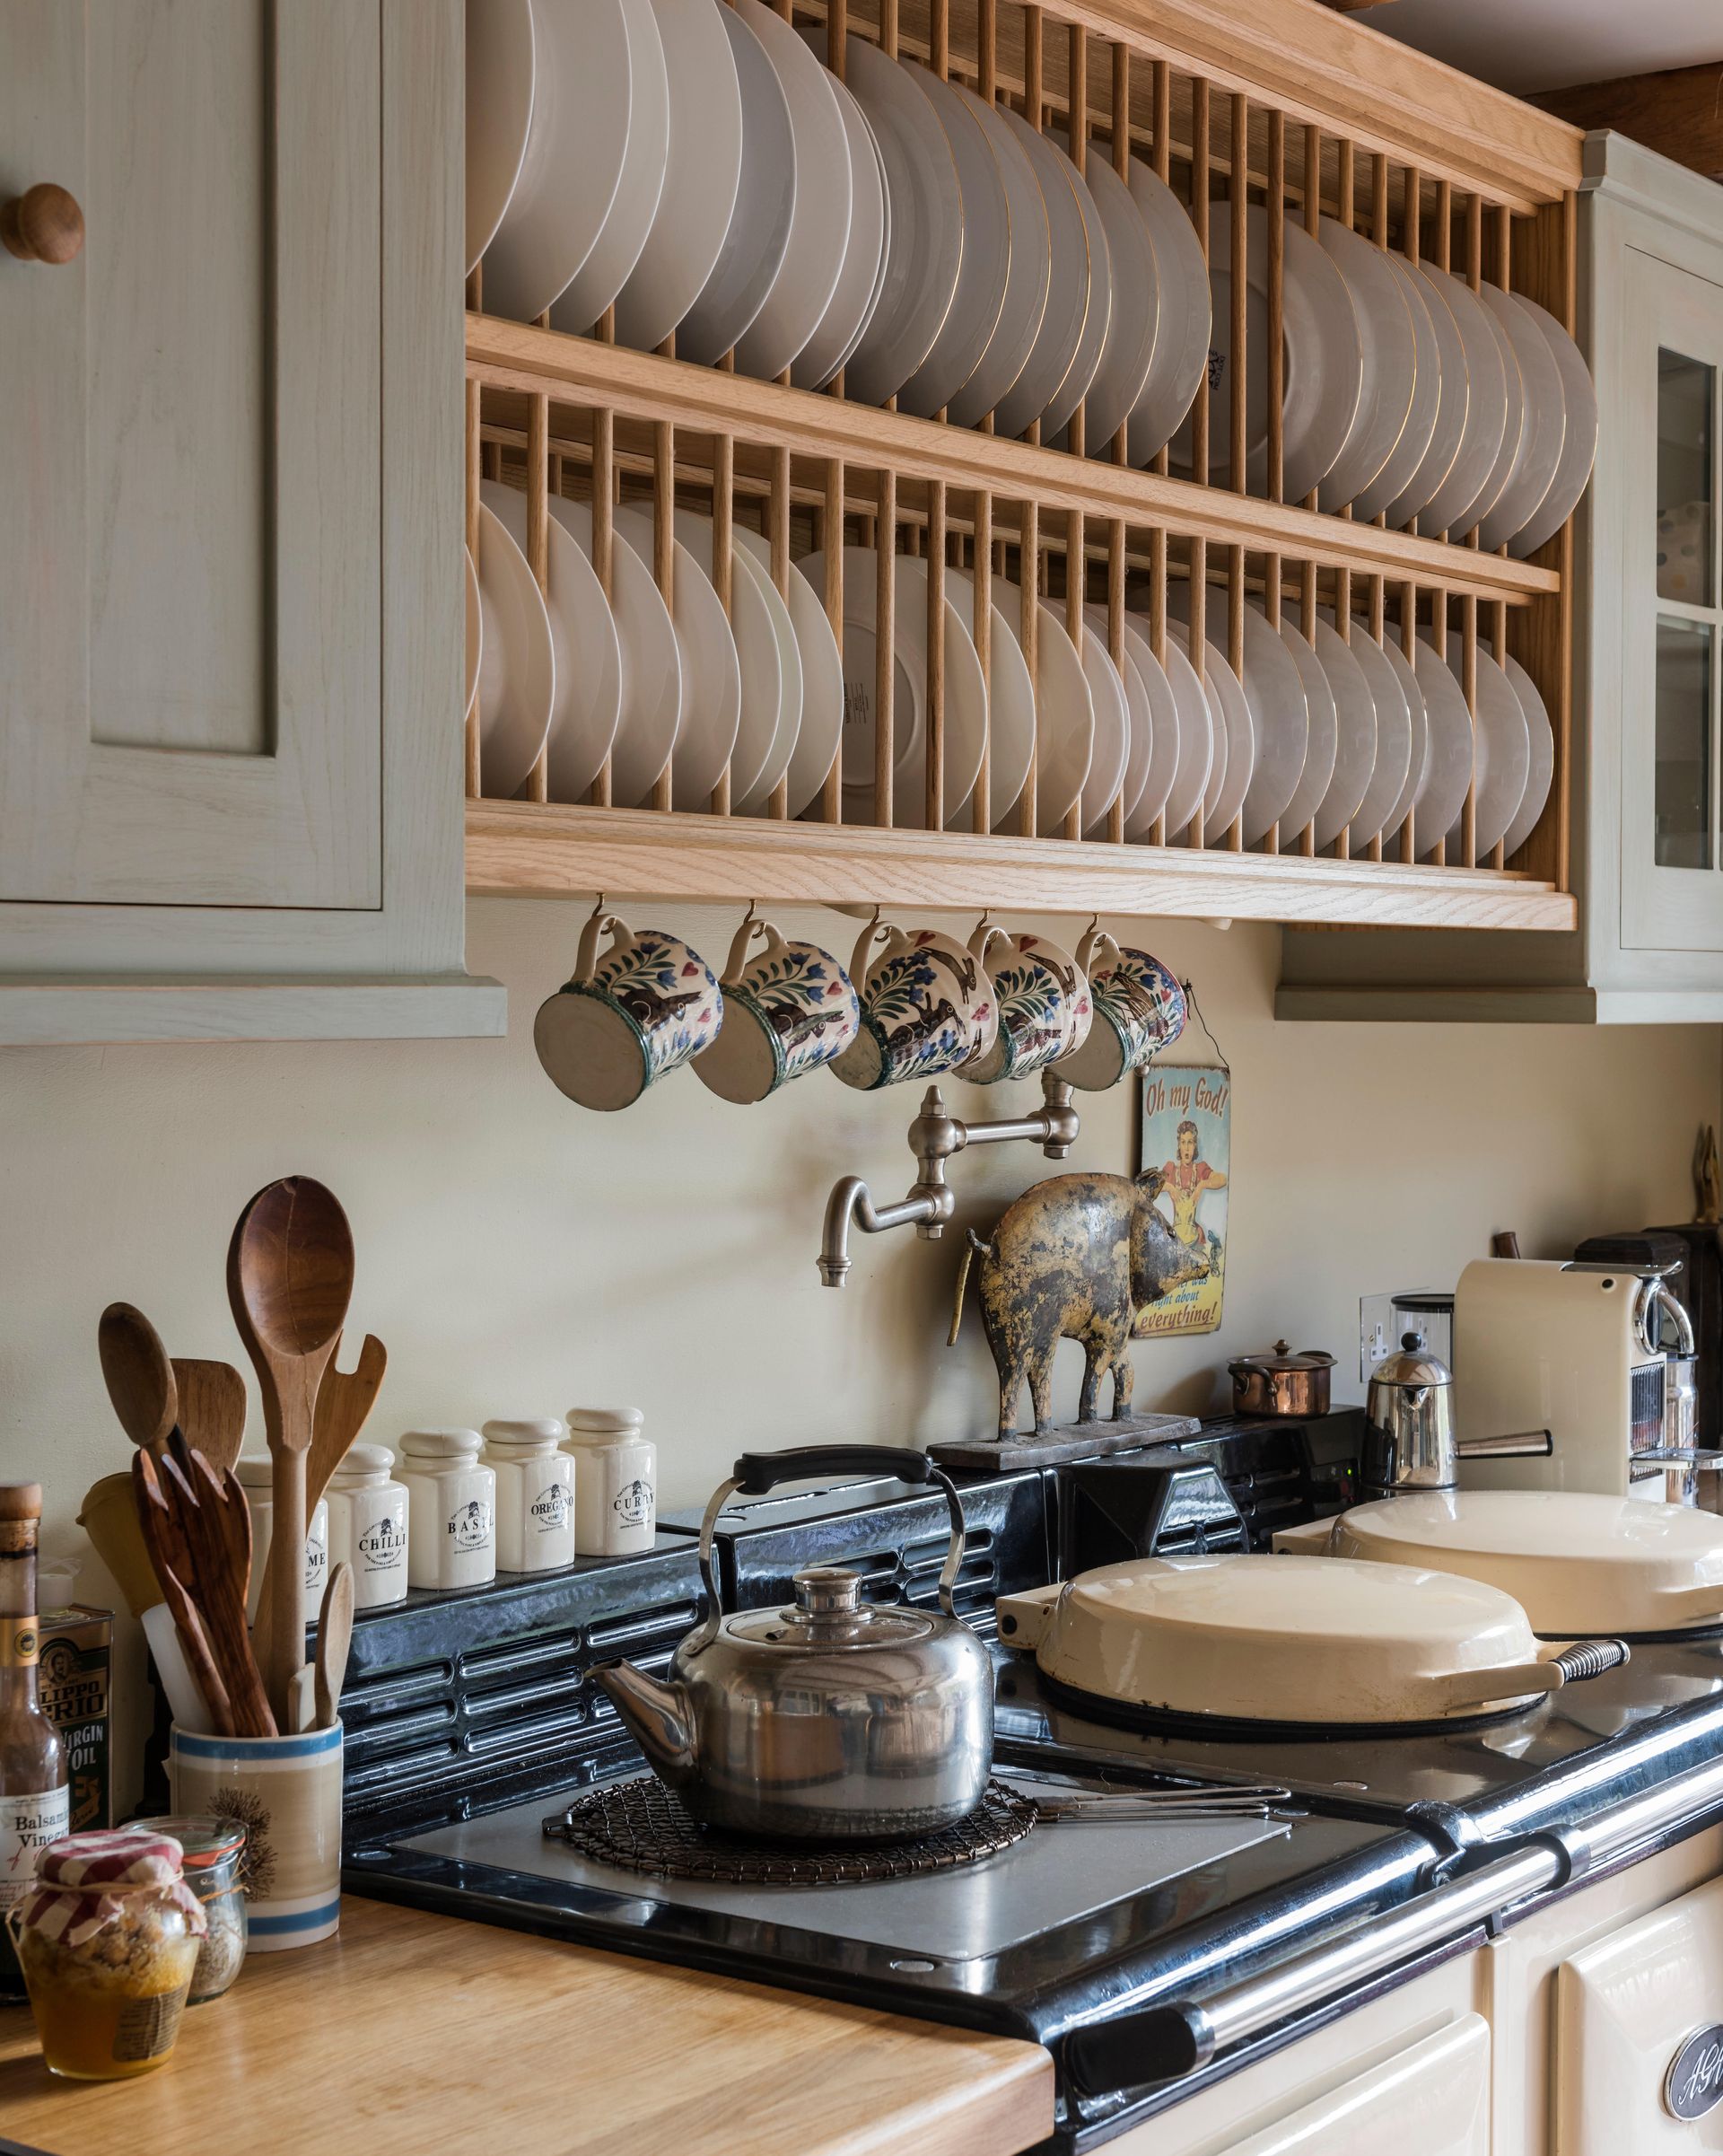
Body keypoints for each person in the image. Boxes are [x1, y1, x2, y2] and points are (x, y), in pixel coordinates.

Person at [1159, 1117, 1227, 1251]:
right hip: (1176, 1239)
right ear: (1179, 1145)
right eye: (1183, 1142)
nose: (1187, 1148)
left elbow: (1223, 1179)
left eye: (1190, 1142)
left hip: (1195, 1239)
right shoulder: (1171, 1169)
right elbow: (1148, 1184)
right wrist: (1169, 1187)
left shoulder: (1200, 1169)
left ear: (1195, 1145)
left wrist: (1202, 1185)